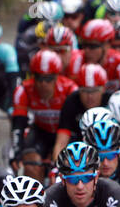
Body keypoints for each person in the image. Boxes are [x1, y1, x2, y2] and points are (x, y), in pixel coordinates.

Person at [11, 50, 78, 180]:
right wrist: (15, 153)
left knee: (66, 165)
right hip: (41, 131)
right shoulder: (23, 89)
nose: (43, 84)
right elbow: (18, 125)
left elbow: (68, 127)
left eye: (48, 79)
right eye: (38, 78)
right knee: (31, 164)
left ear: (56, 77)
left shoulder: (70, 89)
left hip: (65, 133)